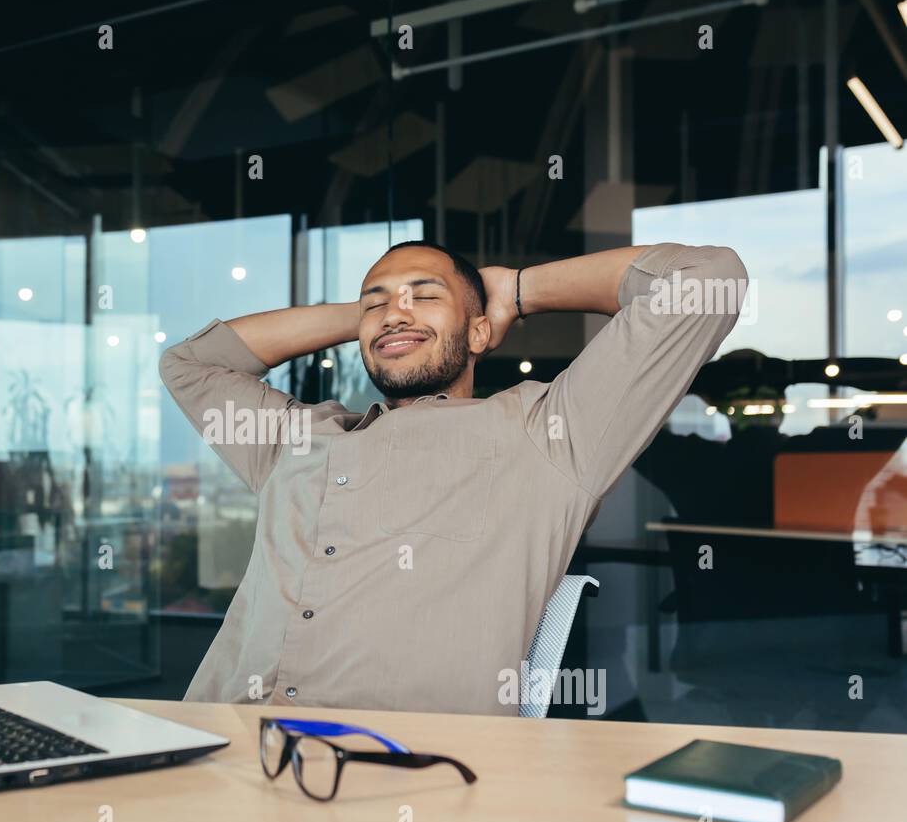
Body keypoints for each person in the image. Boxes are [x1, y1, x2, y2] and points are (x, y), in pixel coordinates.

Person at [160, 240, 747, 714]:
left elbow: (707, 279)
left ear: (479, 332)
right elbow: (189, 365)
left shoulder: (549, 436)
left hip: (403, 778)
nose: (397, 310)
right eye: (379, 301)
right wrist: (376, 317)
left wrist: (515, 291)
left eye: (425, 295)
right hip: (219, 749)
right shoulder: (296, 440)